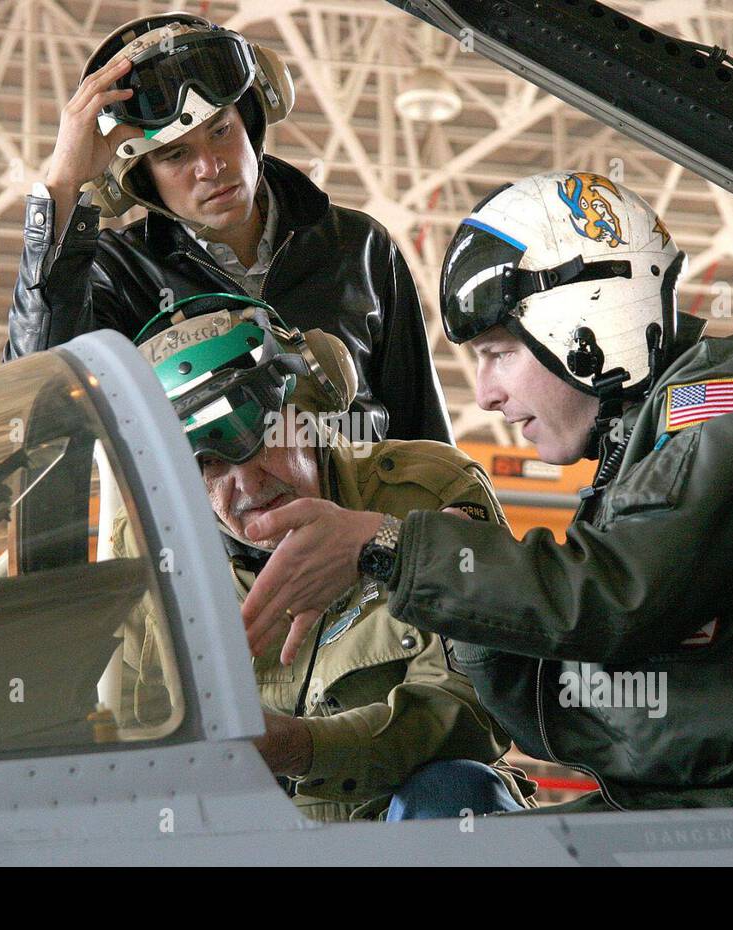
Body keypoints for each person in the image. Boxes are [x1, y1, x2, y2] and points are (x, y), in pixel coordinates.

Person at [238, 171, 733, 810]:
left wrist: (388, 546)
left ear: (586, 323)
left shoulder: (728, 393)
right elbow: (562, 719)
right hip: (685, 804)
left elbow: (625, 594)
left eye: (498, 352)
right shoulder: (633, 453)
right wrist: (459, 608)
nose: (487, 395)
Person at [109, 298, 532, 821]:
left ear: (310, 416)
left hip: (390, 824)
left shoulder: (426, 494)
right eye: (210, 463)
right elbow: (126, 741)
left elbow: (473, 706)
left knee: (452, 792)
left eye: (261, 438)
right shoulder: (148, 553)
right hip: (238, 837)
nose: (247, 483)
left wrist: (303, 747)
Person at [5, 12, 451, 444]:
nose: (210, 166)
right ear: (143, 176)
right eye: (175, 155)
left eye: (221, 131)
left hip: (360, 512)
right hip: (207, 520)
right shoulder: (117, 274)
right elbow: (39, 403)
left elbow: (424, 432)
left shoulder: (359, 246)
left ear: (251, 122)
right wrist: (62, 187)